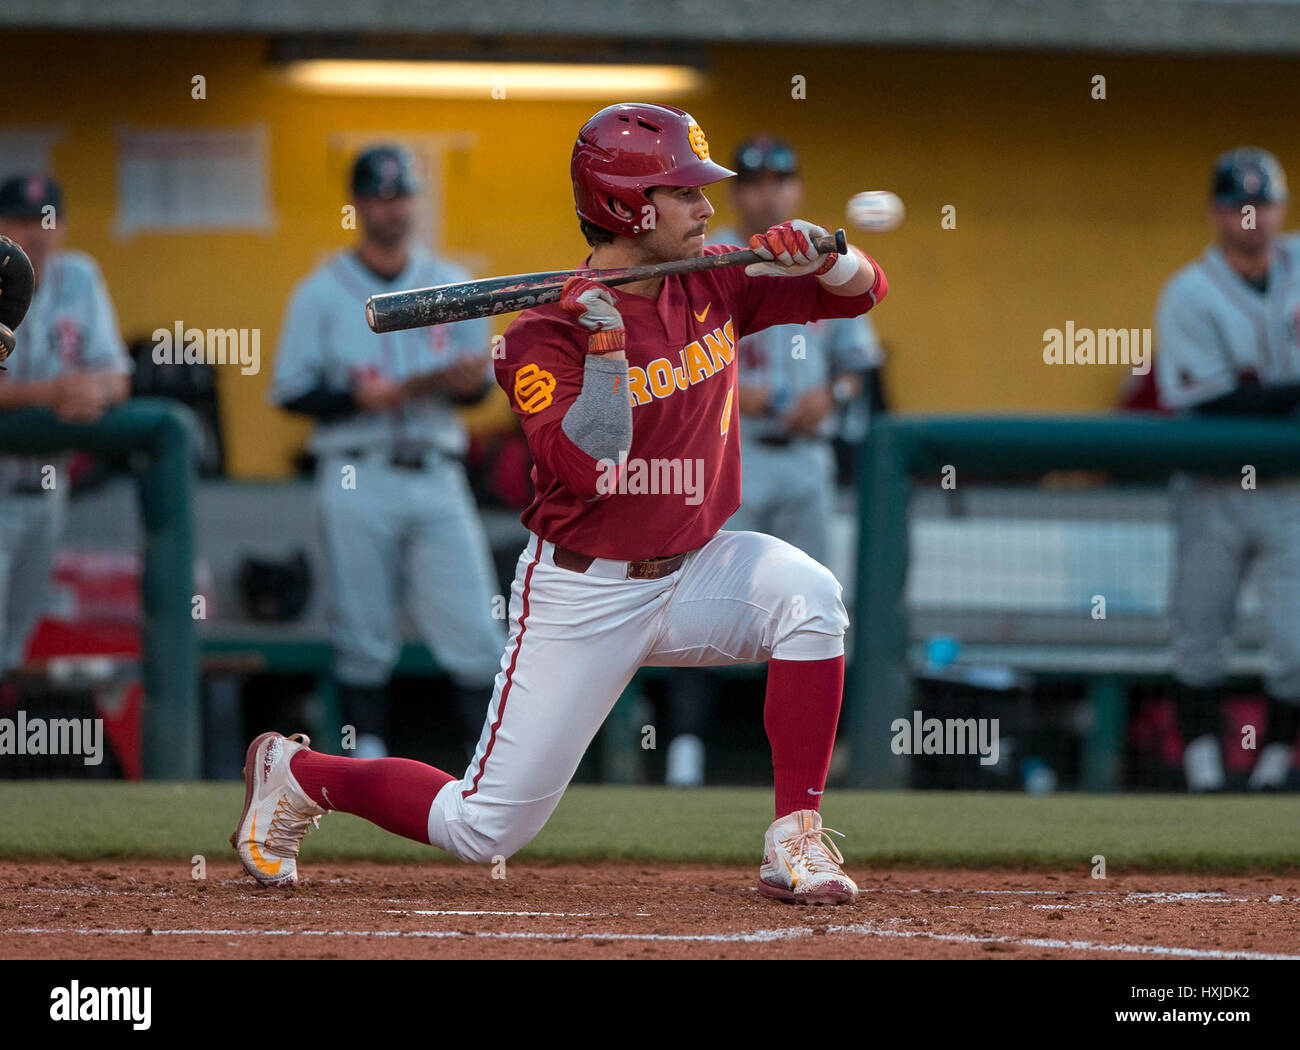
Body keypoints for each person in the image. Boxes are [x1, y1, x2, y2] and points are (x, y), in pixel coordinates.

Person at [235, 103, 888, 905]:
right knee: (483, 830)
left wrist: (824, 255)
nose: (707, 206)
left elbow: (863, 296)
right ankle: (297, 773)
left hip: (695, 566)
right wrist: (607, 355)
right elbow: (587, 468)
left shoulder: (714, 276)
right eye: (685, 192)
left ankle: (796, 838)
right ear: (629, 206)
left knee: (812, 597)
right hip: (584, 591)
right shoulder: (542, 334)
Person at [662, 135, 886, 787]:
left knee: (815, 607)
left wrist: (833, 395)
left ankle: (810, 763)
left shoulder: (819, 255)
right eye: (754, 181)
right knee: (700, 603)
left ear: (796, 189)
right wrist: (735, 390)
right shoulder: (706, 258)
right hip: (733, 454)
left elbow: (862, 370)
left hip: (805, 459)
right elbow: (671, 360)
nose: (767, 192)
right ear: (736, 193)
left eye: (779, 180)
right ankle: (685, 750)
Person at [269, 146, 504, 761]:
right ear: (358, 204)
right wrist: (352, 397)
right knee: (362, 631)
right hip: (356, 469)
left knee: (478, 633)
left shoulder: (453, 280)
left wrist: (464, 383)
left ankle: (483, 774)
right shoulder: (319, 292)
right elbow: (290, 392)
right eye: (380, 196)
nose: (393, 208)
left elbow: (482, 387)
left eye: (402, 196)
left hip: (436, 469)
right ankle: (366, 760)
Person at [1155, 146, 1300, 792]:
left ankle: (1273, 767)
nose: (1253, 217)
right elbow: (1211, 401)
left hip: (1288, 488)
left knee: (1295, 642)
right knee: (1199, 630)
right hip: (1213, 484)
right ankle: (1203, 770)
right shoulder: (1188, 292)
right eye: (1240, 205)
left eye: (1263, 203)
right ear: (1218, 213)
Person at [0, 174, 131, 675]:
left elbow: (118, 375)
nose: (36, 232)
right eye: (20, 220)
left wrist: (90, 392)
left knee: (13, 651)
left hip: (45, 497)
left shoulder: (78, 276)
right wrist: (50, 395)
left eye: (46, 219)